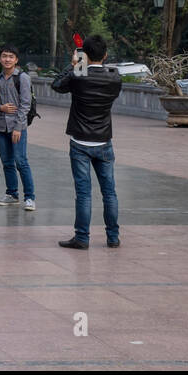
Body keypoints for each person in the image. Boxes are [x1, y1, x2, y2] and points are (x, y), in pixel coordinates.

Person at [51, 34, 123, 249]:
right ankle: (113, 237)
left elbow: (57, 85)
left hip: (80, 141)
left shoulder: (78, 76)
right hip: (103, 141)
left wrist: (75, 64)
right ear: (106, 54)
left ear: (85, 55)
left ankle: (82, 238)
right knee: (109, 192)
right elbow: (101, 75)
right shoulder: (114, 78)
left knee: (83, 193)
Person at [0, 45, 36, 210]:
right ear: (0, 59)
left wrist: (18, 127)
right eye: (4, 56)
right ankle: (12, 194)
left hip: (17, 127)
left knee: (21, 161)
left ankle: (30, 197)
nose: (7, 59)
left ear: (16, 60)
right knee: (7, 162)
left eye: (11, 56)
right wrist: (0, 108)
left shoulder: (23, 78)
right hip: (1, 127)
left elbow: (26, 104)